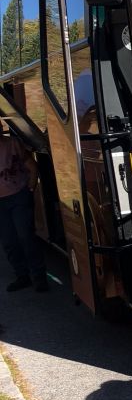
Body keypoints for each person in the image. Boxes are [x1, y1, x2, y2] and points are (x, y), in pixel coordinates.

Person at [0, 119, 48, 292]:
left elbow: (32, 166)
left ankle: (39, 277)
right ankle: (22, 276)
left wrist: (30, 188)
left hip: (18, 197)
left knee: (26, 237)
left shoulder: (13, 144)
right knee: (9, 241)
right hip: (1, 204)